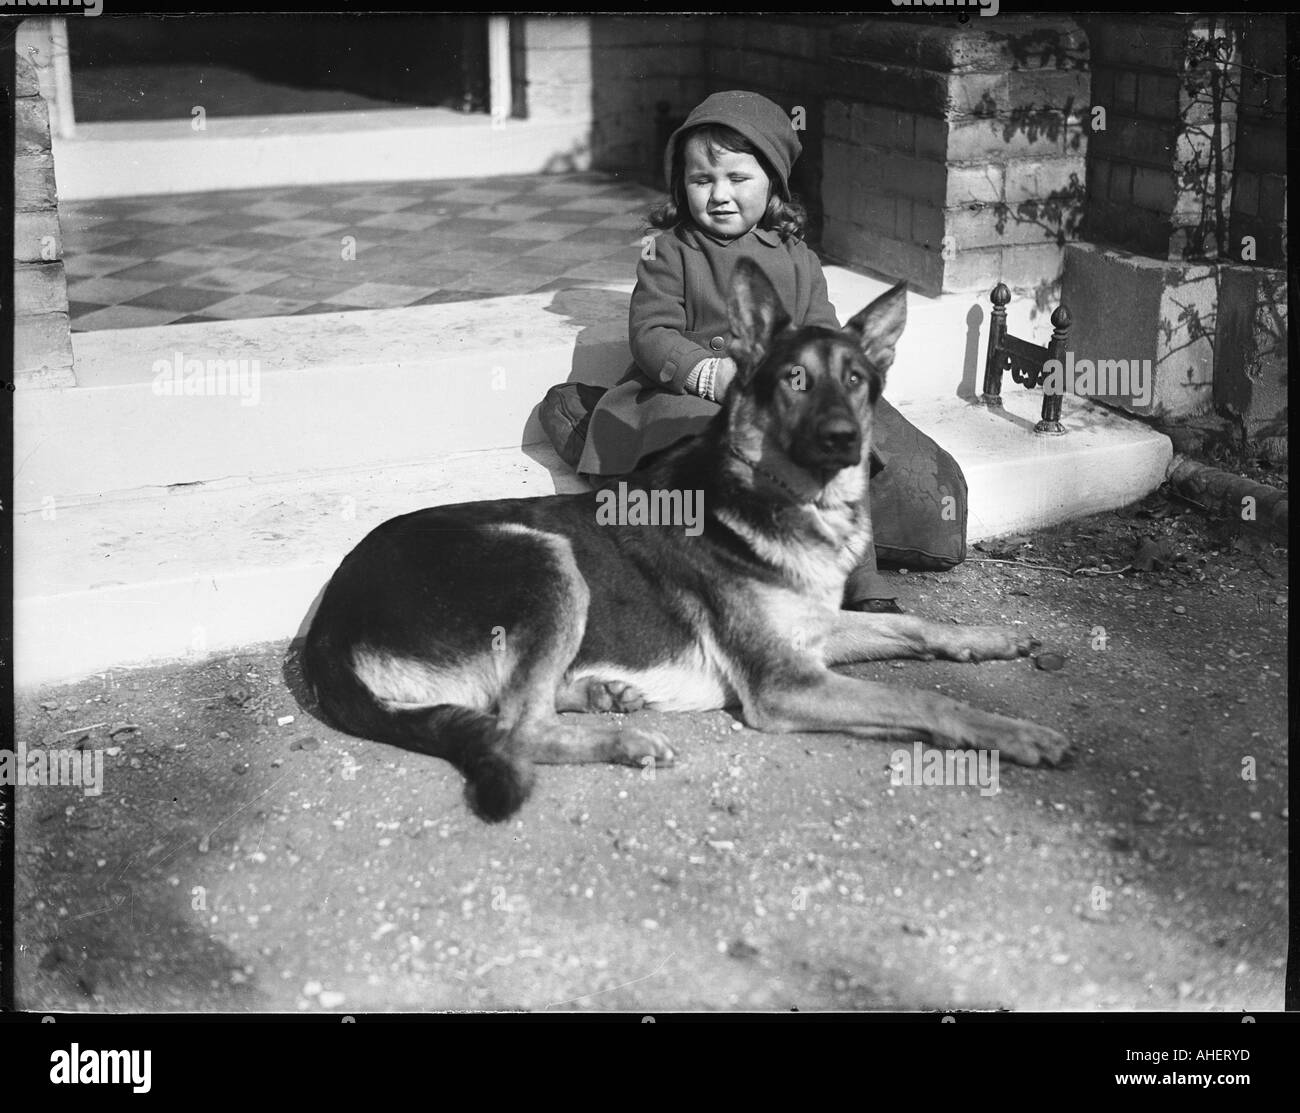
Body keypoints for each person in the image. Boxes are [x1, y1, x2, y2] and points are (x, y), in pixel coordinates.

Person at [539, 90, 967, 611]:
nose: (719, 195)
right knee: (698, 450)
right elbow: (651, 333)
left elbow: (824, 333)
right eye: (701, 180)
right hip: (703, 391)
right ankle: (721, 555)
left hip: (791, 398)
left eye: (738, 178)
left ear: (773, 184)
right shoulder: (670, 251)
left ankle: (860, 578)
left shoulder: (797, 258)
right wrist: (705, 372)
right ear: (682, 185)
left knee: (854, 449)